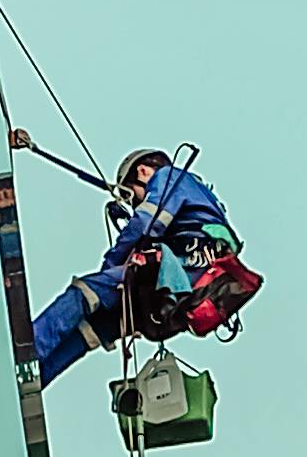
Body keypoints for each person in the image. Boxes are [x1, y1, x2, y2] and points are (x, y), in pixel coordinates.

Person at [26, 145, 261, 389]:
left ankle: (29, 349)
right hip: (180, 290)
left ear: (143, 171)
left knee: (86, 290)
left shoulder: (168, 176)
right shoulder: (202, 196)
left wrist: (109, 265)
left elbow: (146, 223)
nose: (136, 204)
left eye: (133, 195)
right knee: (99, 325)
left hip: (182, 273)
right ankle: (36, 380)